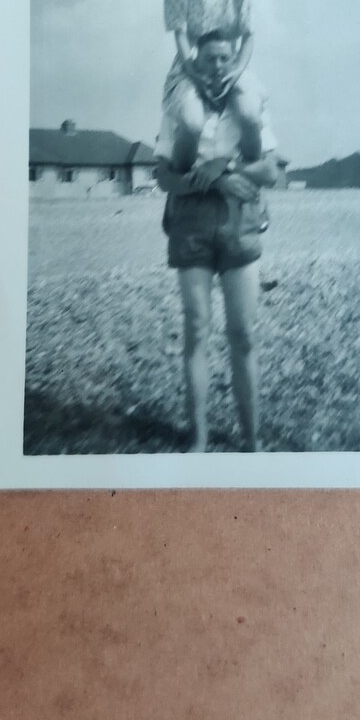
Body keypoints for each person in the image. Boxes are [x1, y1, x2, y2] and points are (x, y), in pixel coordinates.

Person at [154, 30, 280, 454]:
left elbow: (270, 173)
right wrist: (223, 178)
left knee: (243, 334)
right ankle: (199, 438)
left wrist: (224, 170)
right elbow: (164, 177)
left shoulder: (249, 108)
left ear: (234, 61)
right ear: (196, 63)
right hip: (190, 223)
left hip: (240, 224)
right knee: (196, 331)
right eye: (208, 59)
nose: (216, 66)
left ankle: (252, 439)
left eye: (224, 58)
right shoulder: (180, 107)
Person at [161, 0, 268, 173]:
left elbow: (248, 37)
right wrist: (196, 76)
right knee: (191, 124)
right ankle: (184, 189)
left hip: (229, 65)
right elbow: (181, 37)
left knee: (251, 116)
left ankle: (248, 180)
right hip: (191, 68)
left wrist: (235, 72)